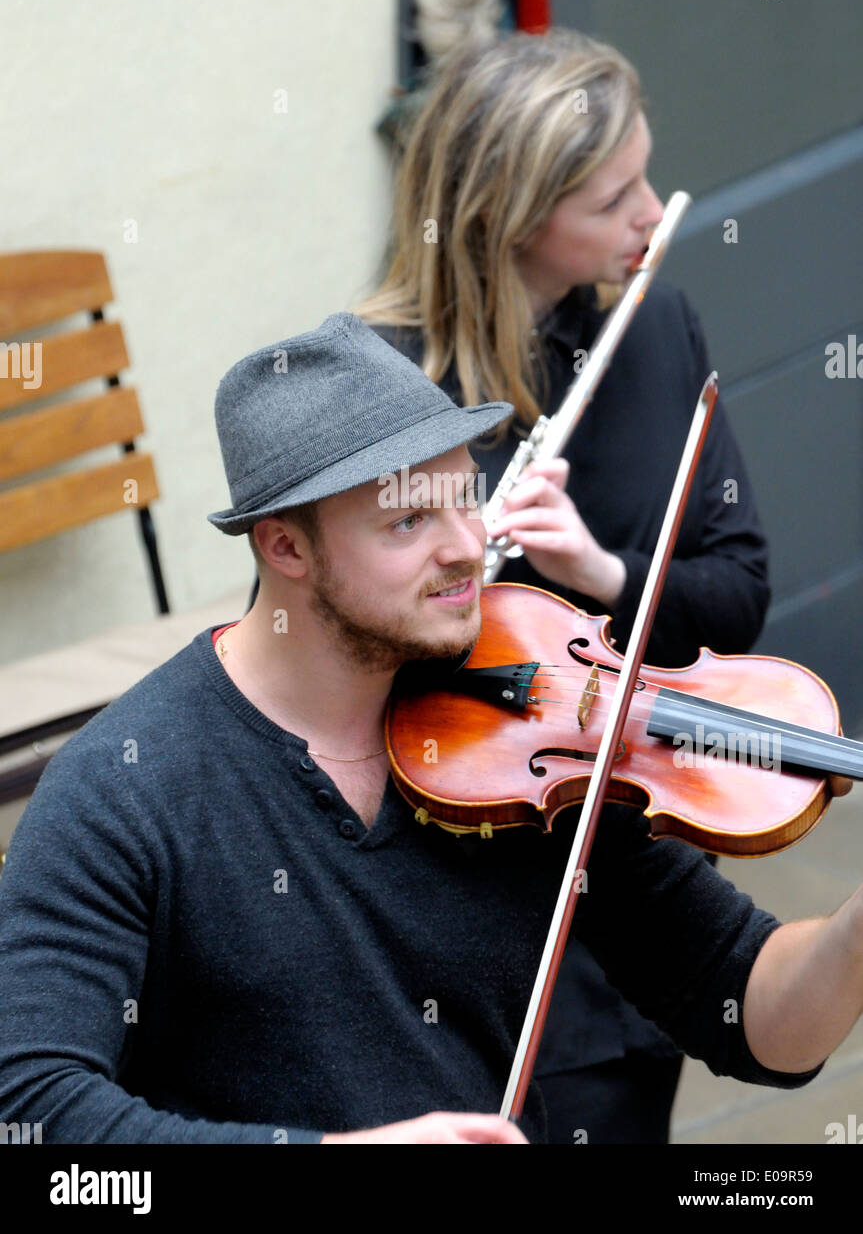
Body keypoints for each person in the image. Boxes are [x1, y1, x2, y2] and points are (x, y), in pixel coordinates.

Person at [0, 313, 855, 1145]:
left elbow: (753, 1011)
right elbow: (31, 1107)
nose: (464, 548)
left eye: (465, 500)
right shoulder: (124, 784)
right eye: (408, 520)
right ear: (285, 549)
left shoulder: (531, 741)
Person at [357, 28, 771, 1142]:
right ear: (508, 214)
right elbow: (317, 657)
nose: (652, 212)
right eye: (612, 196)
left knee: (619, 1097)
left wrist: (597, 572)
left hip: (624, 835)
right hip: (444, 857)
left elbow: (736, 596)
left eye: (646, 172)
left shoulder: (655, 328)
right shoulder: (375, 383)